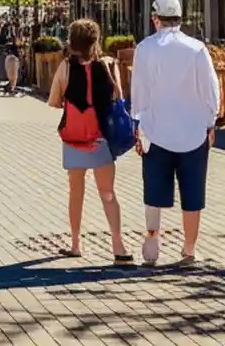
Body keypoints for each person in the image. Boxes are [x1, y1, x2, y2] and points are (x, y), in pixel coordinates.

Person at [131, 0, 220, 267]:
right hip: (193, 131)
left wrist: (138, 123)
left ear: (155, 18)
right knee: (193, 192)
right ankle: (189, 249)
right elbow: (211, 91)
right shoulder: (196, 49)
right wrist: (210, 122)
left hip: (155, 130)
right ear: (180, 19)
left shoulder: (145, 48)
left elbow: (140, 92)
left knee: (154, 189)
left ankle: (152, 241)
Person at [48, 18, 133, 264]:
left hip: (73, 138)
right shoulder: (108, 64)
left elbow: (55, 100)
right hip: (101, 139)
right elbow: (118, 96)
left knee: (76, 192)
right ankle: (118, 246)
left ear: (72, 41)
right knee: (107, 193)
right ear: (96, 40)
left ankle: (76, 244)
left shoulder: (65, 67)